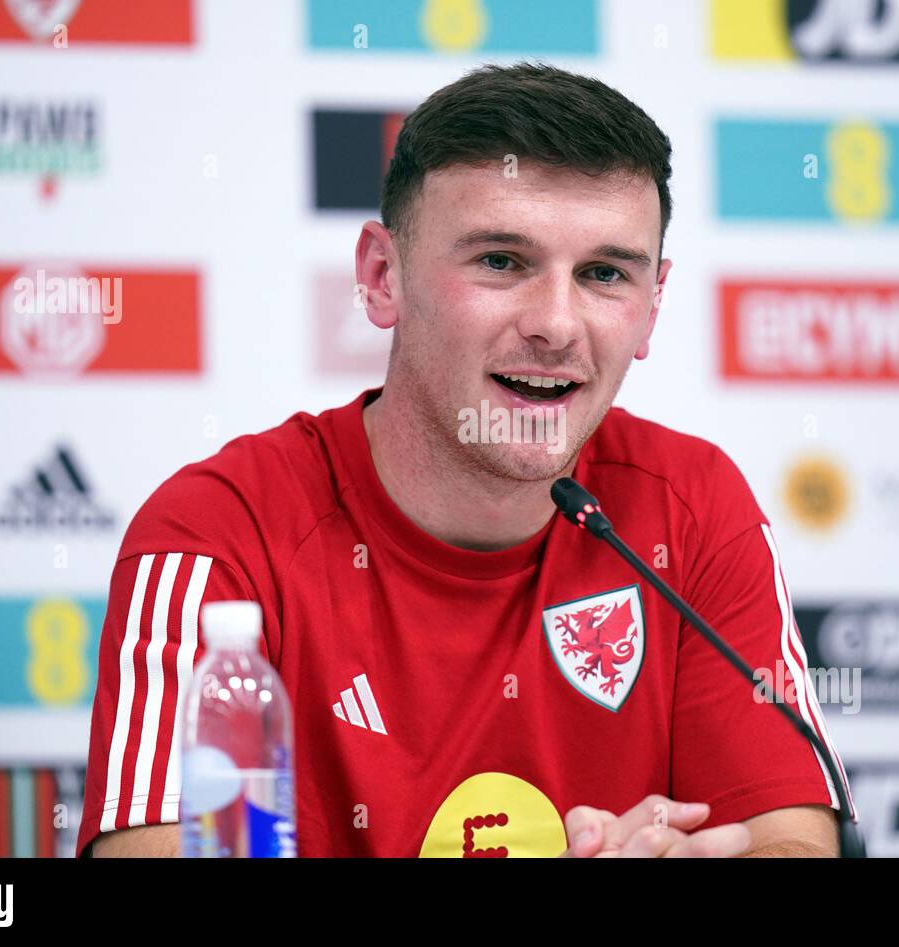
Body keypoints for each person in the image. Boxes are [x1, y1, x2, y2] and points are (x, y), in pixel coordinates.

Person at [78, 61, 852, 858]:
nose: (556, 323)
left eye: (604, 274)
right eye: (500, 261)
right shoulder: (217, 531)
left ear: (651, 308)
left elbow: (791, 842)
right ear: (383, 278)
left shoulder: (693, 508)